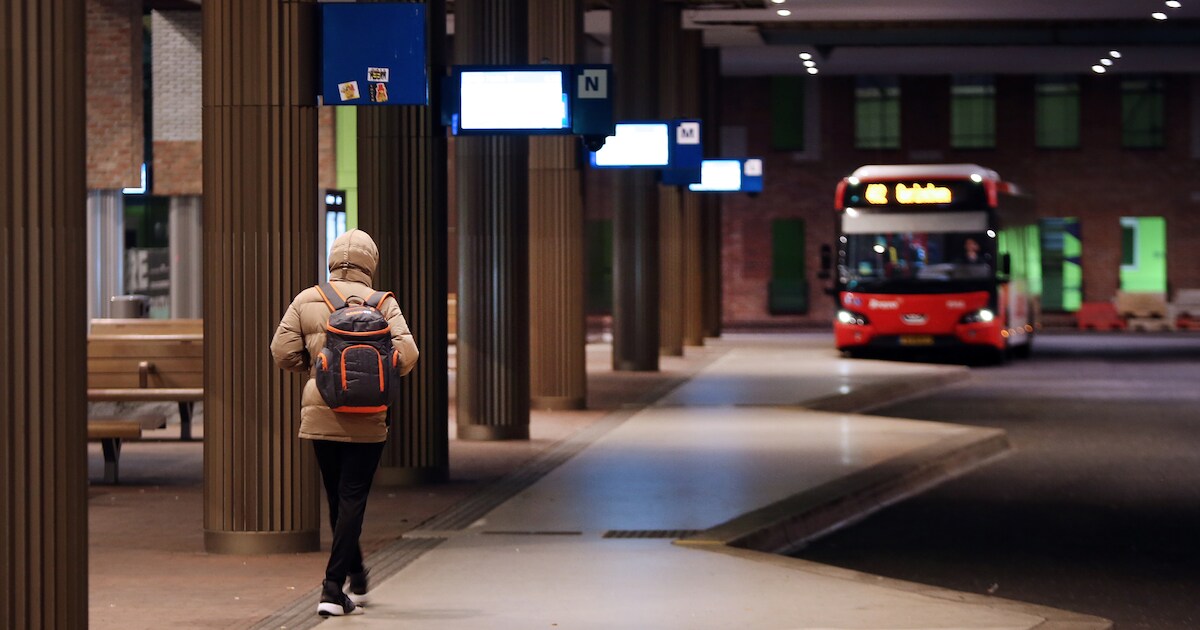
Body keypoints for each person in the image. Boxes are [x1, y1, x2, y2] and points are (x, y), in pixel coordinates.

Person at [270, 229, 419, 617]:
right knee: (352, 496)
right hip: (370, 416)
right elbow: (409, 353)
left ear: (333, 259)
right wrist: (379, 370)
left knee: (338, 497)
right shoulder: (383, 303)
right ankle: (334, 587)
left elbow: (281, 351)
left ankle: (352, 574)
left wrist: (318, 371)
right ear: (371, 263)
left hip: (322, 411)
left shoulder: (308, 300)